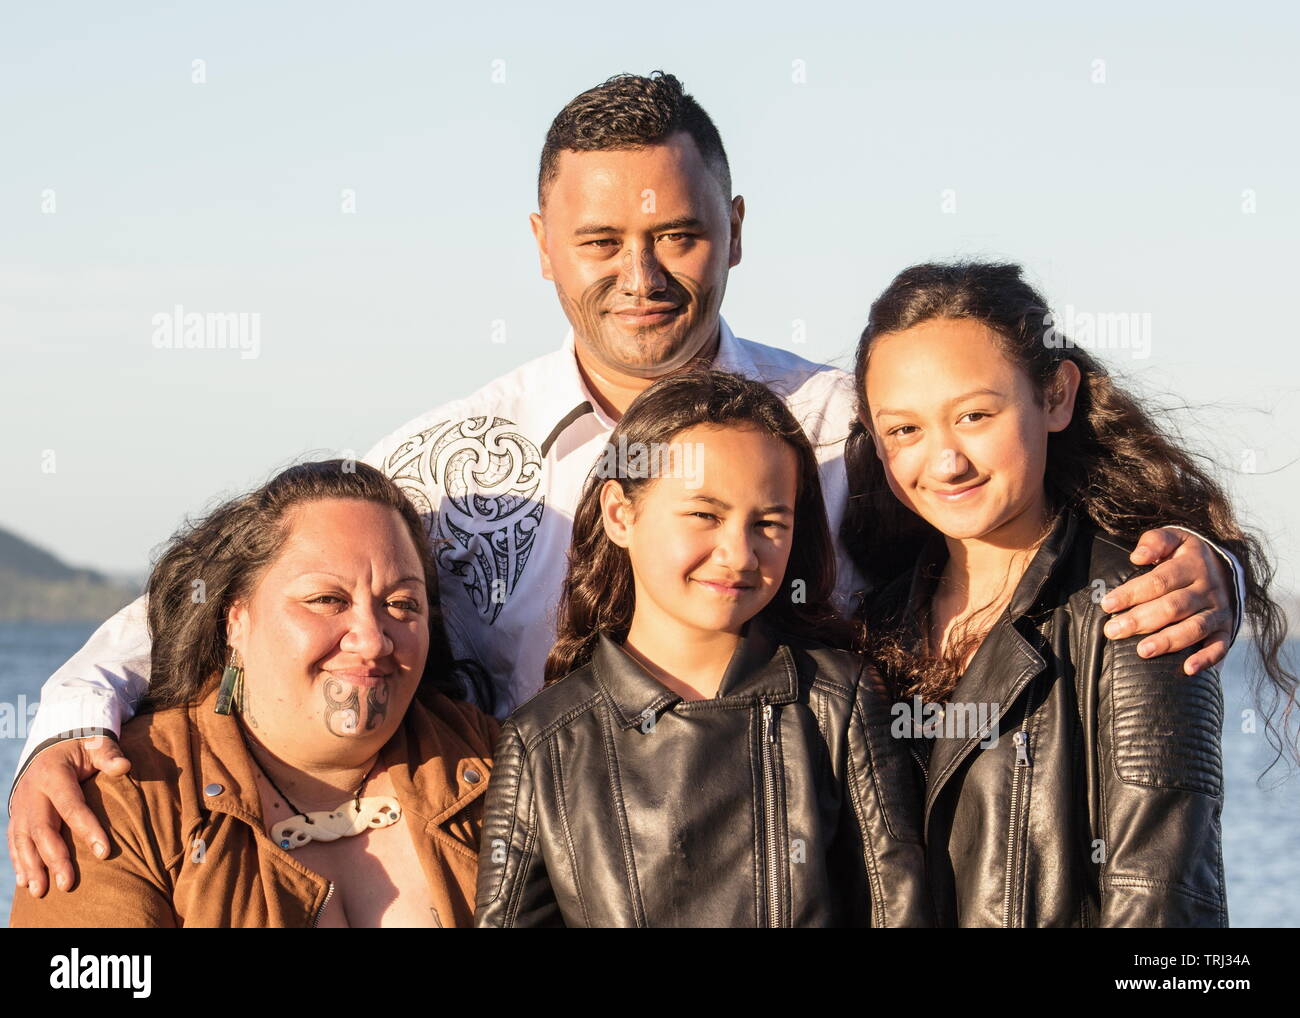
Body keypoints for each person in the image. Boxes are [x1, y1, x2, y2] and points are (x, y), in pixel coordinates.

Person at [9, 71, 1239, 900]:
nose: (641, 273)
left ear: (738, 227)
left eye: (680, 236)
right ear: (541, 246)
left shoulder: (847, 425)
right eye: (599, 241)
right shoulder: (456, 462)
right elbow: (263, 581)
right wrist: (66, 720)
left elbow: (1025, 499)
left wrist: (1201, 561)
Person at [845, 261, 1297, 926]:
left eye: (974, 414)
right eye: (905, 430)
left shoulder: (1137, 610)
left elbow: (1162, 904)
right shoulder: (874, 622)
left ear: (1054, 396)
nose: (944, 461)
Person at [475, 370, 930, 927]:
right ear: (621, 513)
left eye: (768, 523)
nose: (739, 554)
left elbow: (896, 908)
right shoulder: (543, 739)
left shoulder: (837, 701)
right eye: (704, 515)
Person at [10, 461, 497, 927]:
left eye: (400, 603)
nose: (372, 639)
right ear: (235, 620)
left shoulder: (498, 768)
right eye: (326, 600)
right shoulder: (131, 801)